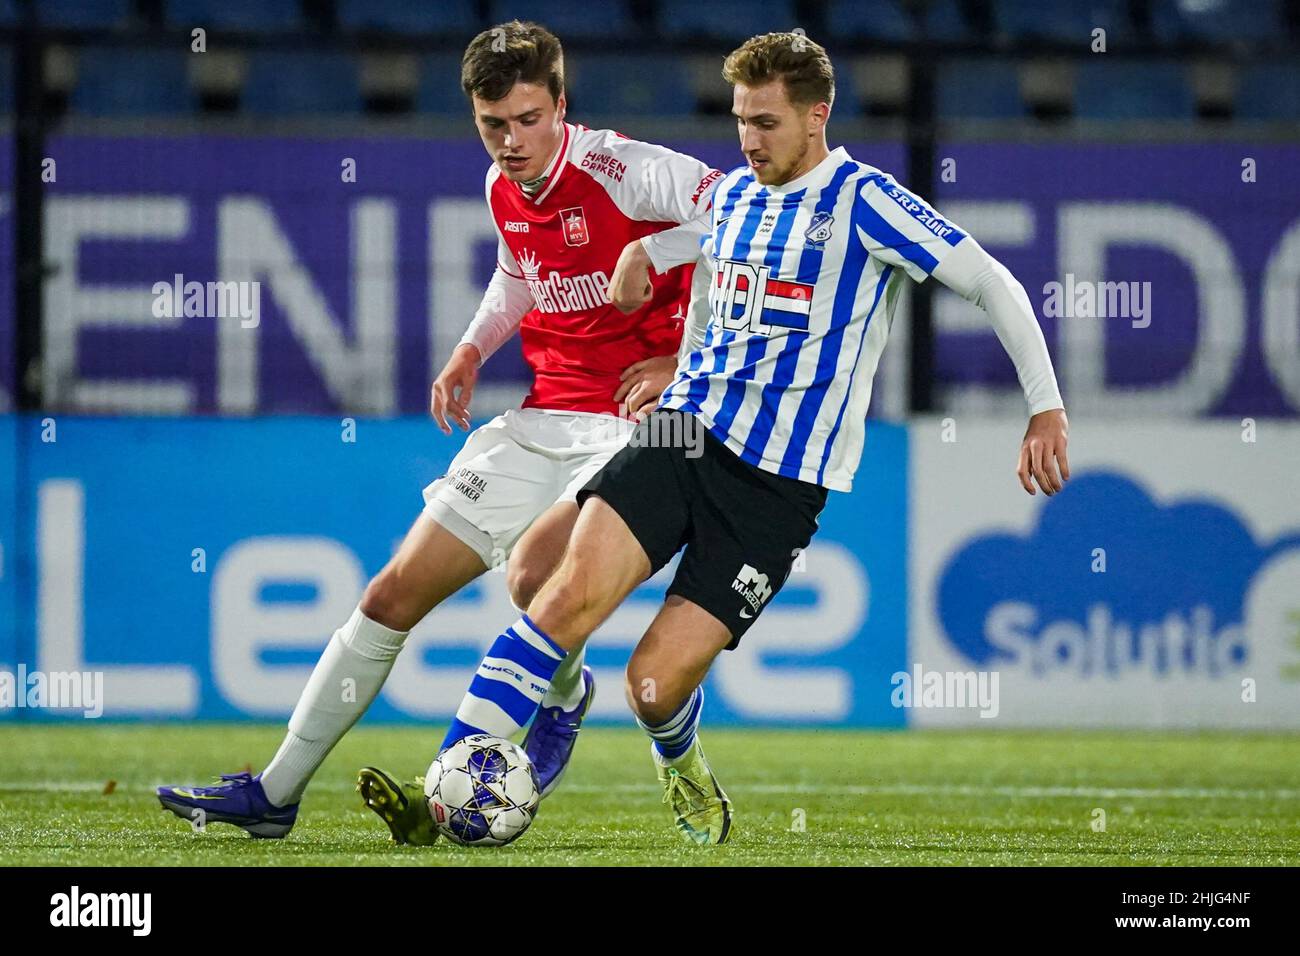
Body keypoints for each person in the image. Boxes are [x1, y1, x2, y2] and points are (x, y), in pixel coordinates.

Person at [369, 30, 1069, 847]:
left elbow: (991, 281)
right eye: (740, 119)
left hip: (776, 486)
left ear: (818, 116)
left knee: (651, 686)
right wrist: (655, 286)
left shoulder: (865, 202)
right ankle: (442, 787)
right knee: (554, 591)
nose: (749, 140)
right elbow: (700, 260)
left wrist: (1045, 408)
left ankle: (679, 753)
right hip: (684, 433)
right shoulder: (735, 196)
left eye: (766, 122)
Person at [156, 20, 720, 841]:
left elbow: (752, 217)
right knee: (391, 594)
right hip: (544, 416)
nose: (512, 141)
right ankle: (273, 795)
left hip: (635, 425)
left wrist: (683, 352)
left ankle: (526, 727)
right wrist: (470, 348)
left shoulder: (627, 170)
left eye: (529, 119)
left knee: (533, 576)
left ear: (561, 104)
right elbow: (518, 274)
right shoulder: (502, 185)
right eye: (493, 124)